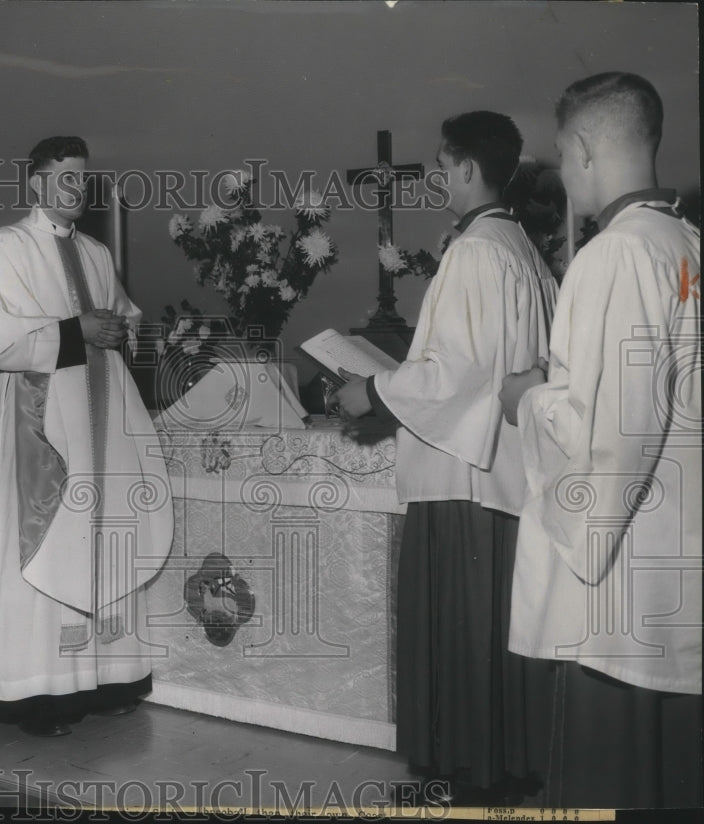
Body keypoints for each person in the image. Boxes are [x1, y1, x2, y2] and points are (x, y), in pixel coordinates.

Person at [334, 112, 559, 803]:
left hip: (462, 475)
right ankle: (506, 764)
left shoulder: (474, 251)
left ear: (465, 168)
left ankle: (465, 778)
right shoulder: (523, 247)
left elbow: (454, 372)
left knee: (461, 626)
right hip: (506, 470)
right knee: (496, 626)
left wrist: (371, 390)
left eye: (441, 167)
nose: (438, 179)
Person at [500, 72, 702, 809]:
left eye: (561, 151)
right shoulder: (686, 243)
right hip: (678, 559)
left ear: (583, 148)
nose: (563, 168)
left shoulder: (616, 254)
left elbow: (608, 434)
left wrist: (527, 399)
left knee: (610, 783)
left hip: (621, 583)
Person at [0, 136, 174, 737]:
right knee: (49, 543)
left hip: (102, 417)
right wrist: (76, 331)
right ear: (36, 183)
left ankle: (108, 678)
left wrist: (122, 328)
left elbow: (123, 313)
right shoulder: (5, 248)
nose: (76, 189)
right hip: (37, 425)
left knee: (106, 538)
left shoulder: (96, 252)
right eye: (65, 177)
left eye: (82, 178)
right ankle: (39, 694)